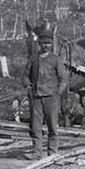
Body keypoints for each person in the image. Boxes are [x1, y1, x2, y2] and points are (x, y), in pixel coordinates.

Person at [26, 23, 69, 157]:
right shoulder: (33, 59)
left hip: (51, 98)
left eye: (48, 43)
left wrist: (58, 93)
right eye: (43, 43)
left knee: (52, 126)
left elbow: (64, 79)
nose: (45, 46)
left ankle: (52, 152)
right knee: (35, 127)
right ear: (39, 43)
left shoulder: (56, 60)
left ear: (51, 44)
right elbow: (25, 76)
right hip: (36, 97)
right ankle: (37, 152)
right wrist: (26, 84)